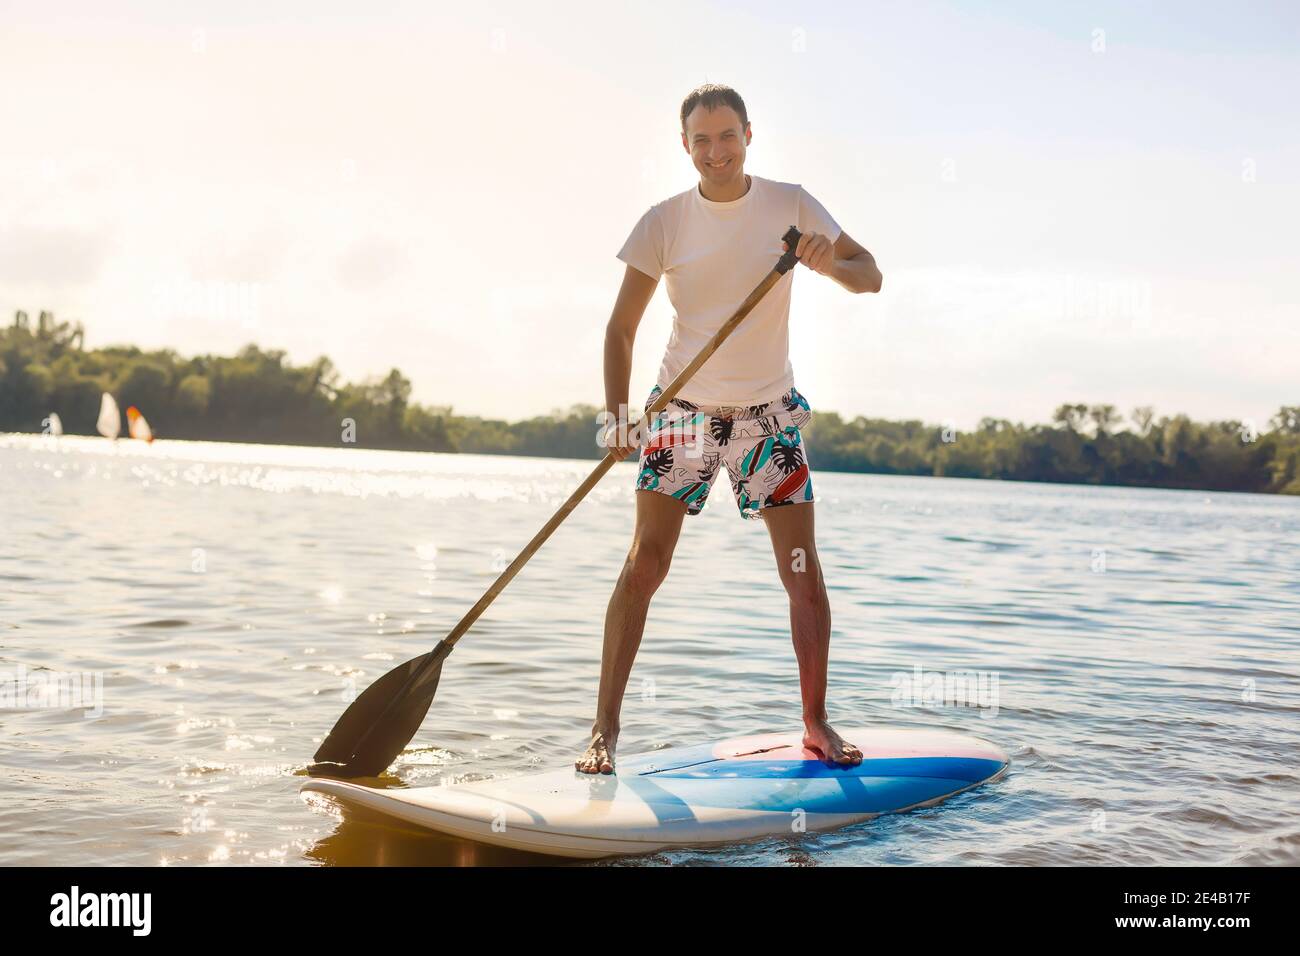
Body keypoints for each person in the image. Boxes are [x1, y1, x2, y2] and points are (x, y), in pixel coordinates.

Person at [578, 83, 883, 774]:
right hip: (682, 415)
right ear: (684, 145)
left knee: (800, 571)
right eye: (702, 140)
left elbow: (871, 277)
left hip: (768, 417)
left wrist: (824, 260)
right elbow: (620, 329)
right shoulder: (663, 221)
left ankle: (815, 722)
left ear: (750, 134)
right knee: (645, 565)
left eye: (727, 136)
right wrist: (617, 414)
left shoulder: (791, 204)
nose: (716, 152)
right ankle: (603, 730)